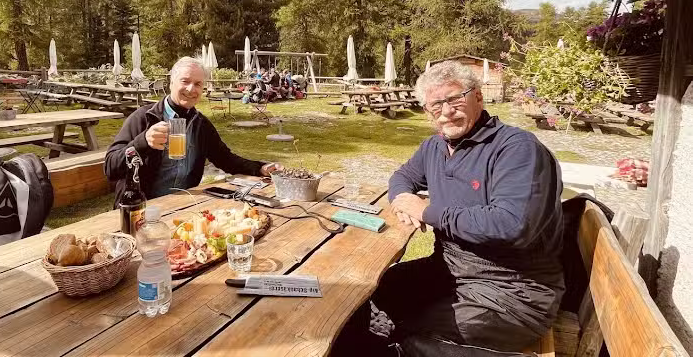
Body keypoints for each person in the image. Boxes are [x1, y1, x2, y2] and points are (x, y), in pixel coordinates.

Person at [334, 61, 565, 357]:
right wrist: (403, 198)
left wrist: (426, 211)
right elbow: (403, 177)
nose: (446, 111)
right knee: (371, 292)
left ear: (478, 97)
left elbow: (512, 225)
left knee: (410, 337)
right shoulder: (435, 146)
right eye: (435, 105)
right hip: (451, 270)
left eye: (455, 99)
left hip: (512, 292)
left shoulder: (516, 149)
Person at [105, 57, 282, 199]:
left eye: (198, 84)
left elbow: (226, 159)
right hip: (144, 209)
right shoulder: (144, 118)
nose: (191, 89)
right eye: (185, 81)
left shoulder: (200, 124)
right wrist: (142, 142)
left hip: (185, 205)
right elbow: (110, 167)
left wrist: (259, 168)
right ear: (171, 82)